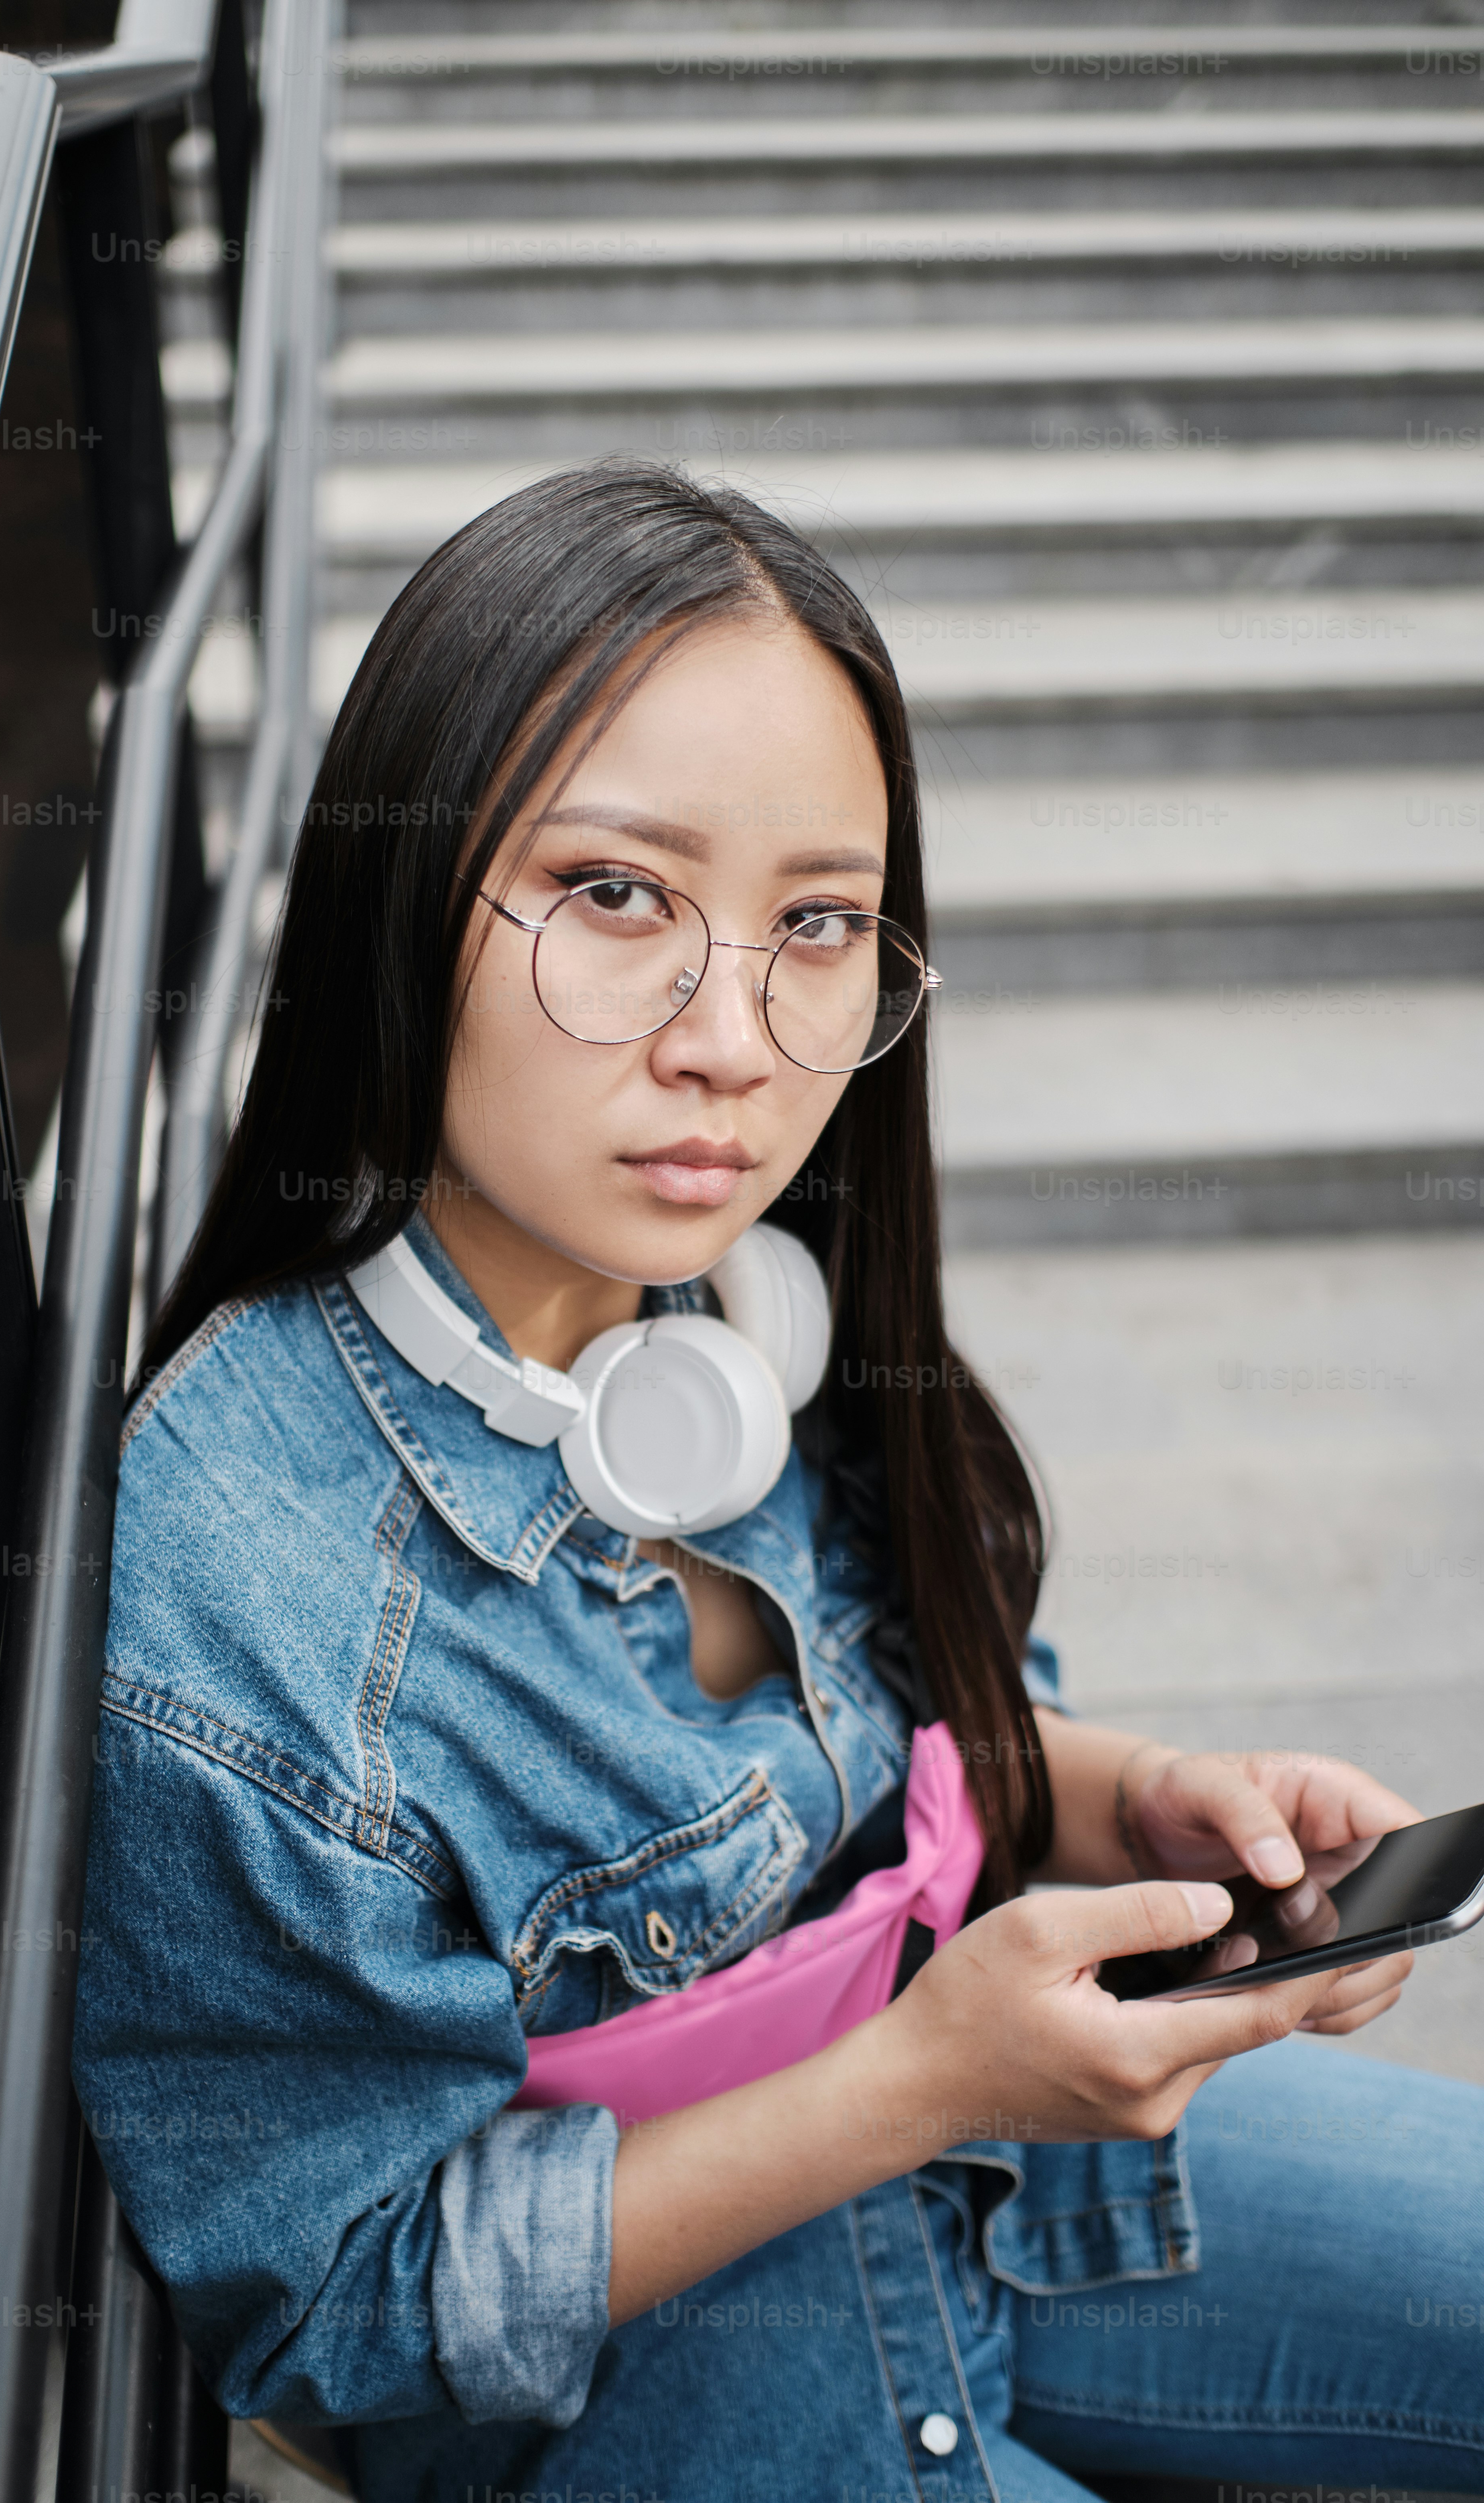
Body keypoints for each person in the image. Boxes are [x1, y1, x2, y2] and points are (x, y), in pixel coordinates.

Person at [73, 462, 1484, 2502]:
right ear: (401, 894)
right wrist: (912, 2083)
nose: (733, 1040)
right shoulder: (249, 1597)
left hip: (988, 2152)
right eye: (619, 895)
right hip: (670, 2379)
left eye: (814, 924)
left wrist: (1115, 1793)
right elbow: (345, 2307)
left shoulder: (738, 1304)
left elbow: (877, 1738)